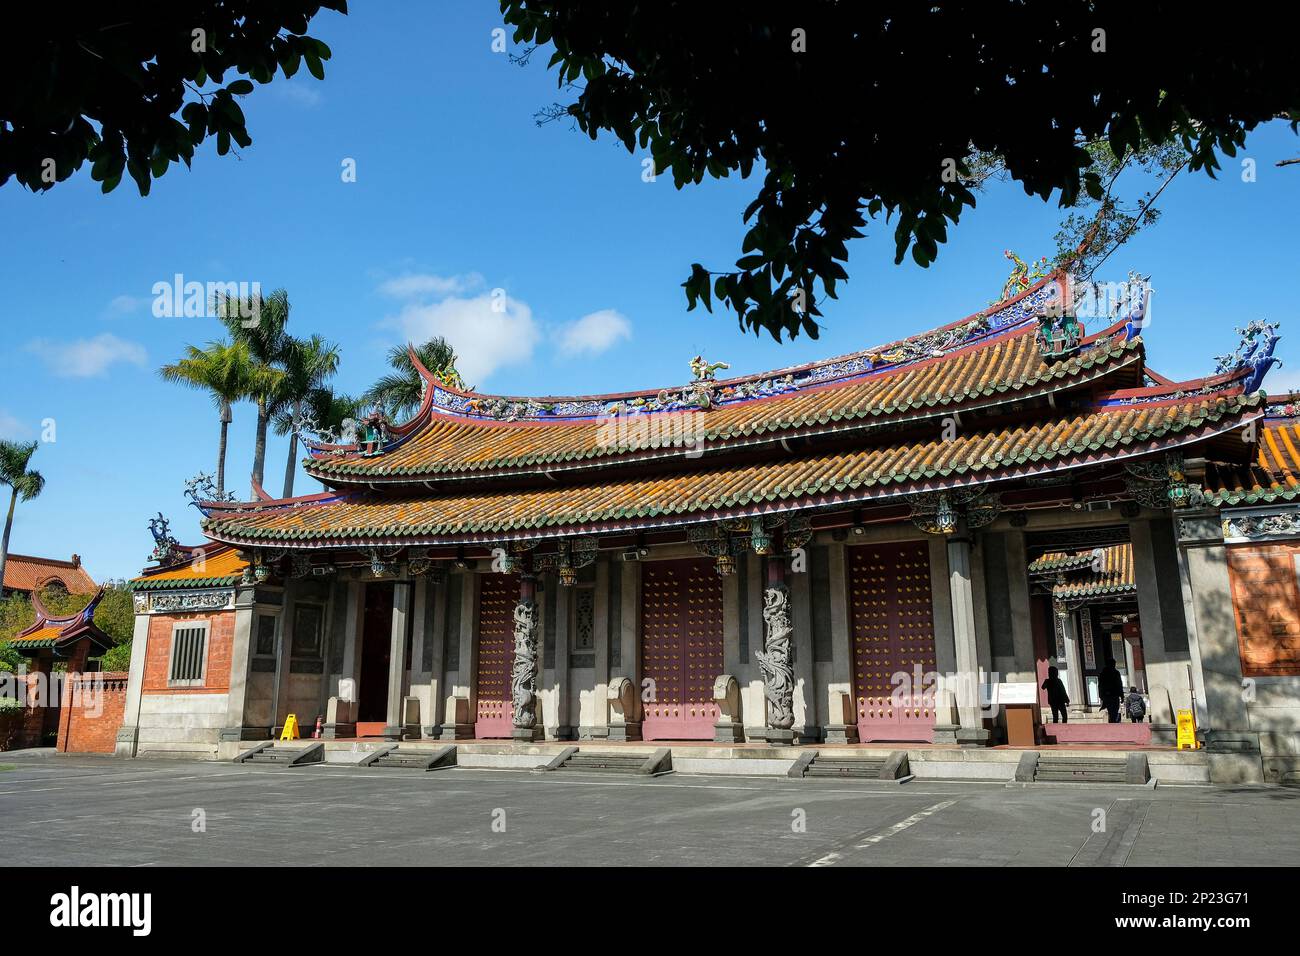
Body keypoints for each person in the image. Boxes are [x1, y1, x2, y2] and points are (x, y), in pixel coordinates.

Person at [1099, 657, 1124, 723]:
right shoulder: (1116, 673)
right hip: (1114, 695)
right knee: (1114, 710)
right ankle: (1112, 721)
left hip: (1108, 695)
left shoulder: (1103, 673)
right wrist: (1122, 696)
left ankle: (1112, 721)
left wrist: (1101, 695)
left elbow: (1100, 685)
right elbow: (1119, 684)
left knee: (1111, 711)